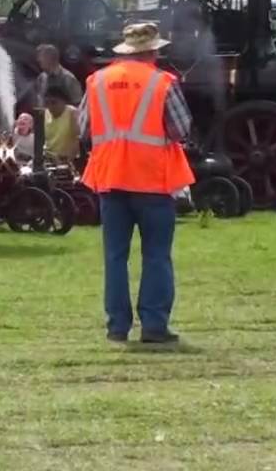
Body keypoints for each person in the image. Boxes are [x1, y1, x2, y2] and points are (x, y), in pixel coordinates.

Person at [79, 22, 193, 345]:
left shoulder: (97, 81)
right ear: (152, 51)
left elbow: (84, 128)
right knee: (156, 254)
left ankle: (117, 326)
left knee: (115, 256)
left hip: (110, 180)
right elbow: (180, 130)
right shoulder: (162, 83)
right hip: (152, 180)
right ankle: (154, 325)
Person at [42, 84, 81, 162]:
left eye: (54, 103)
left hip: (67, 160)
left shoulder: (72, 113)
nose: (50, 107)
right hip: (48, 158)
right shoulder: (45, 113)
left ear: (64, 101)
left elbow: (77, 139)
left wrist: (68, 161)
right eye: (47, 103)